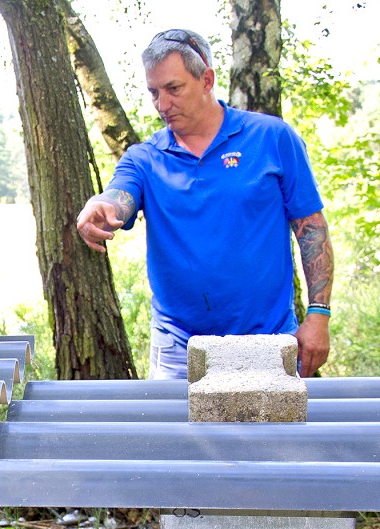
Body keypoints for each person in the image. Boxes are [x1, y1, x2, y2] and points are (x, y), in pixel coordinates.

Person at [76, 29, 333, 378]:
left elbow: (311, 229)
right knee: (177, 436)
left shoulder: (272, 138)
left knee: (269, 435)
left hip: (269, 339)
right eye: (154, 92)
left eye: (173, 89)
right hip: (178, 347)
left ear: (207, 79)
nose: (162, 105)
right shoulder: (145, 158)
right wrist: (101, 207)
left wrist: (318, 315)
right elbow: (119, 196)